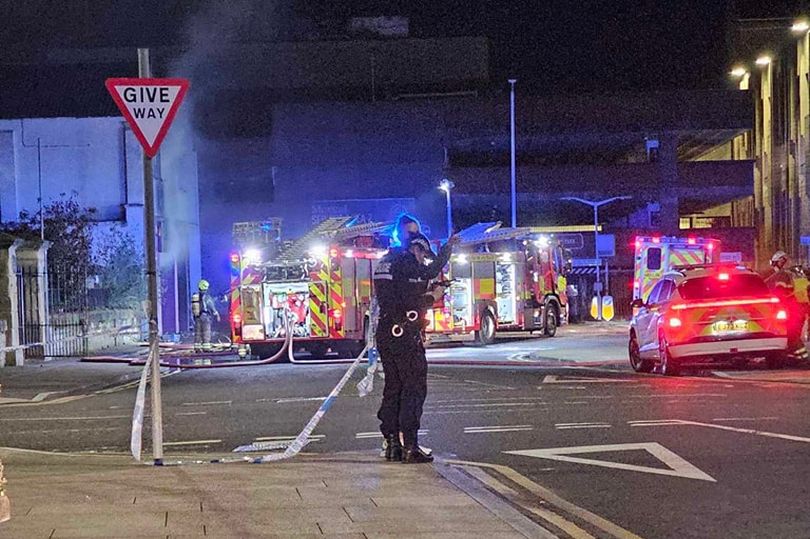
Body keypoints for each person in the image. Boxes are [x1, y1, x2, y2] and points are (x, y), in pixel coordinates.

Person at [374, 233, 454, 463]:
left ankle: (393, 445)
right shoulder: (407, 263)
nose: (423, 261)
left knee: (393, 387)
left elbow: (395, 295)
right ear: (417, 249)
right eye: (423, 255)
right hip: (405, 335)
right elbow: (413, 299)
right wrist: (434, 296)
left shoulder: (385, 262)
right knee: (413, 388)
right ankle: (410, 445)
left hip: (386, 332)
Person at [765, 251, 808, 362]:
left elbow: (781, 292)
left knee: (792, 335)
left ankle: (802, 358)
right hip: (800, 309)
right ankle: (794, 357)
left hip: (793, 310)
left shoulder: (782, 275)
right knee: (792, 335)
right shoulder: (795, 274)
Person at [192, 279, 220, 351]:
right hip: (205, 316)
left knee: (198, 332)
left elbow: (192, 308)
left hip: (197, 317)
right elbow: (211, 306)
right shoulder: (207, 297)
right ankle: (206, 348)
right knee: (206, 332)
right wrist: (217, 314)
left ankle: (197, 348)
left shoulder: (195, 297)